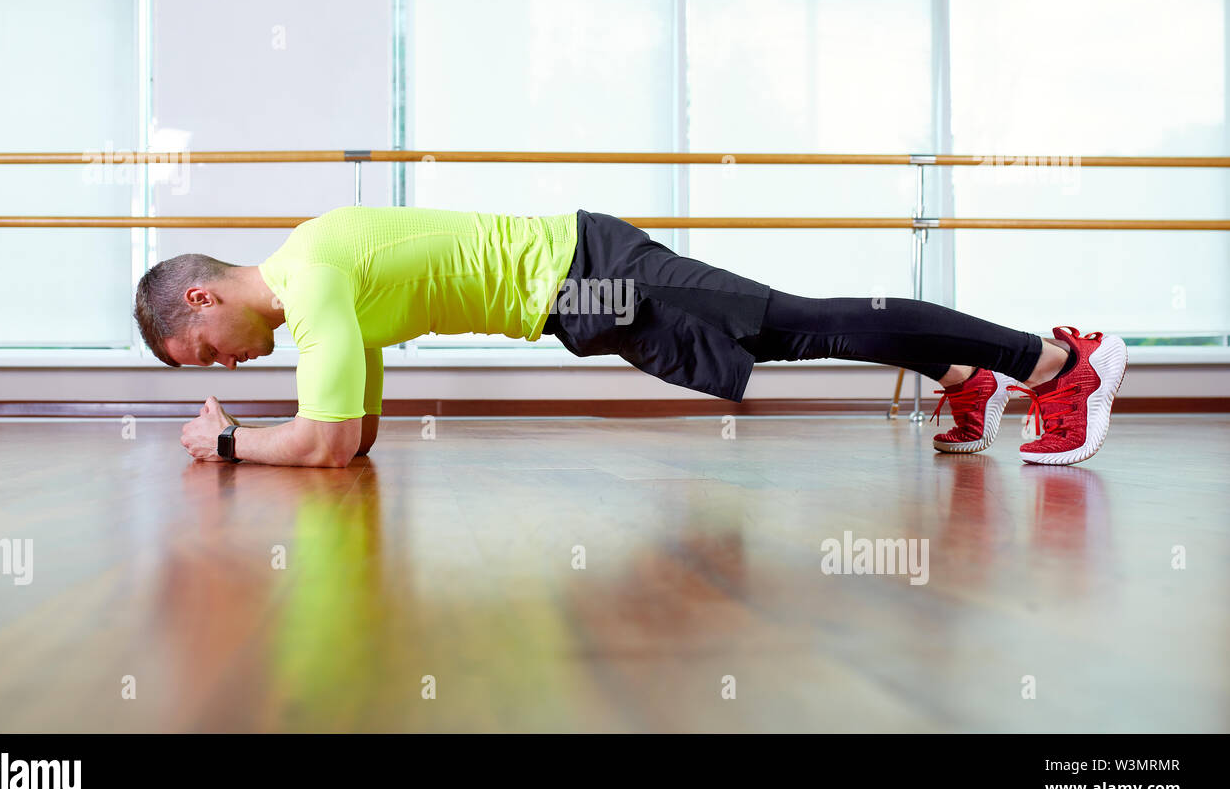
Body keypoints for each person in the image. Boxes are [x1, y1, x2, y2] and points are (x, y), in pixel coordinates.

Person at [133, 206, 1126, 468]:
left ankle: (1054, 363)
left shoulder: (313, 283)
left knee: (801, 321)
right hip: (585, 290)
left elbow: (331, 443)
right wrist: (276, 436)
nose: (223, 368)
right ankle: (964, 374)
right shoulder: (319, 276)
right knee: (791, 335)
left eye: (205, 355)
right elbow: (358, 435)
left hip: (596, 278)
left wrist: (223, 439)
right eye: (208, 377)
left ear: (202, 302)